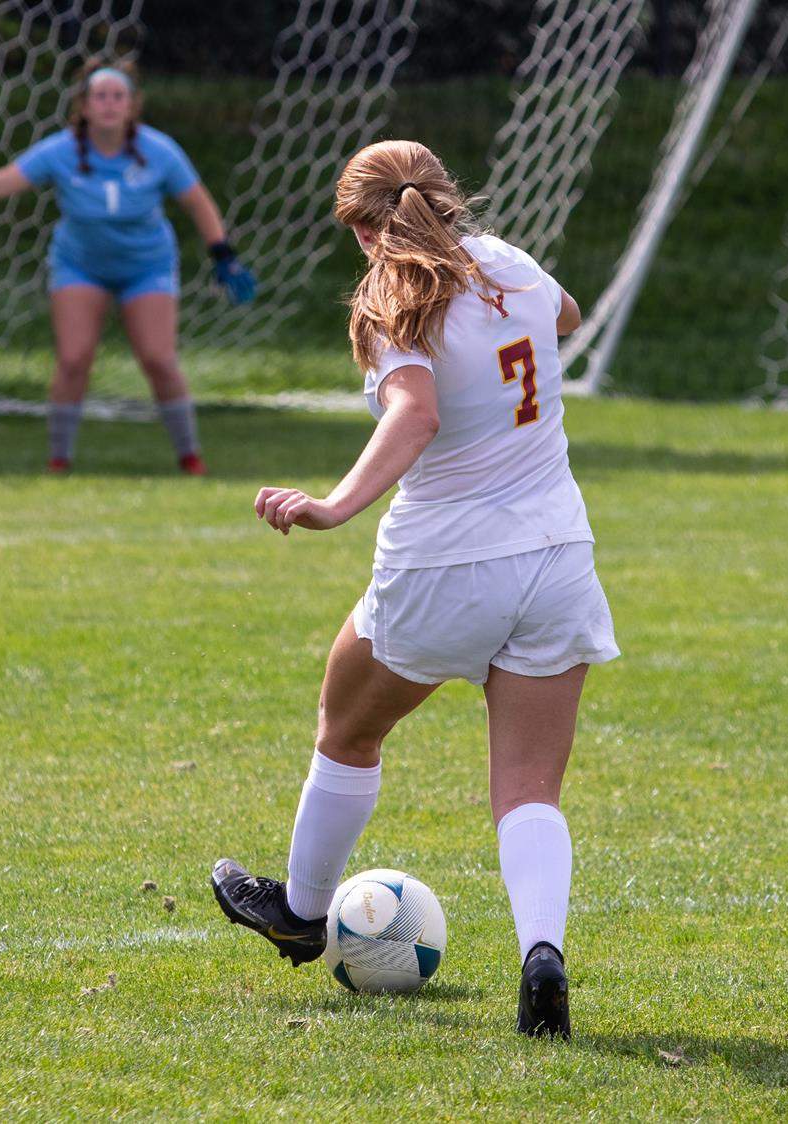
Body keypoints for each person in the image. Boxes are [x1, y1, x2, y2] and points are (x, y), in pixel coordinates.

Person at [209, 140, 617, 1040]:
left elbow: (417, 411)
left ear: (362, 226)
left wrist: (334, 505)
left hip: (445, 563)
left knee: (348, 726)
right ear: (445, 197)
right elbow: (569, 317)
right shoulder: (508, 261)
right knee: (527, 791)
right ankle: (540, 955)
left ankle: (302, 913)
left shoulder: (393, 298)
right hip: (557, 557)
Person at [0, 60, 254, 474]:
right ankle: (59, 460)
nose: (110, 104)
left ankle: (190, 457)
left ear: (132, 105)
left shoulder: (159, 150)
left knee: (159, 360)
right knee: (74, 359)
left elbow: (197, 201)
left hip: (146, 266)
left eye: (119, 96)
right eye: (101, 96)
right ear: (84, 105)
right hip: (80, 265)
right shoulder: (60, 150)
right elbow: (4, 180)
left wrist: (223, 256)